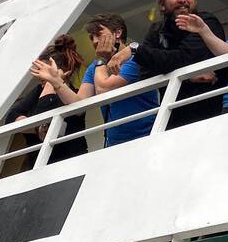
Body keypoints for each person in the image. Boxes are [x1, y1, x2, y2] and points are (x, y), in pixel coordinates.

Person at [34, 13, 158, 148]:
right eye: (91, 37)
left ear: (117, 33)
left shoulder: (135, 58)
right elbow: (78, 105)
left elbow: (104, 89)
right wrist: (56, 82)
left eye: (98, 34)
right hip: (114, 143)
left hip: (148, 135)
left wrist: (101, 59)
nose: (94, 41)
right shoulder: (95, 67)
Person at [131, 0, 228, 128]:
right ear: (162, 5)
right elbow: (145, 74)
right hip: (173, 117)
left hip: (213, 112)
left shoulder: (207, 22)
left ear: (194, 0)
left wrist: (137, 51)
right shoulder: (157, 30)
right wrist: (189, 76)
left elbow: (183, 58)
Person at [8, 34, 88, 163]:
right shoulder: (38, 90)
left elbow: (42, 114)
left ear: (64, 71)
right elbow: (12, 116)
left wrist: (52, 82)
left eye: (44, 70)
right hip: (38, 163)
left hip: (70, 161)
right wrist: (35, 129)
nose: (40, 75)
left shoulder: (74, 95)